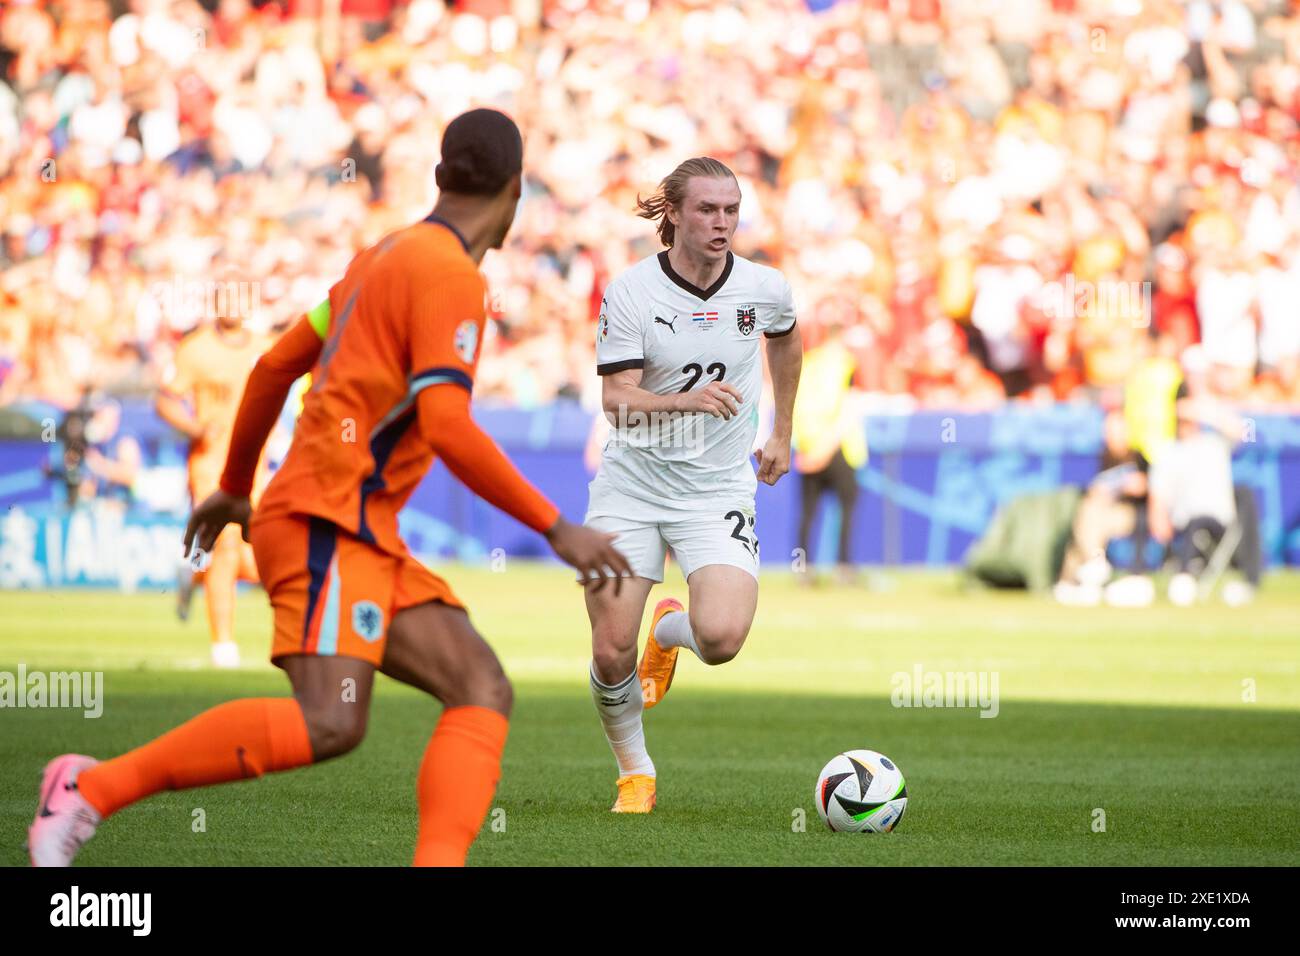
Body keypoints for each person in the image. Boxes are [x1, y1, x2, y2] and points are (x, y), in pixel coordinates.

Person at [27, 109, 631, 868]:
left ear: (441, 176)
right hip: (327, 519)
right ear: (516, 190)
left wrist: (234, 486)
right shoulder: (451, 278)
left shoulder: (375, 260)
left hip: (354, 526)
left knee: (480, 685)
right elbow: (446, 424)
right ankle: (90, 789)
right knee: (330, 723)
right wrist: (555, 526)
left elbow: (275, 365)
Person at [582, 157, 803, 813]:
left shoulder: (764, 287)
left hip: (715, 489)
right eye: (707, 209)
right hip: (633, 485)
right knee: (610, 645)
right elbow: (616, 401)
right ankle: (635, 773)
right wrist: (687, 402)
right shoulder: (631, 293)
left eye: (731, 210)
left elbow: (788, 342)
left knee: (723, 639)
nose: (722, 223)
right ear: (673, 213)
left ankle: (669, 632)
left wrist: (783, 429)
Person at [156, 304, 271, 666]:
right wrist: (196, 429)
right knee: (225, 546)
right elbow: (165, 399)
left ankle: (192, 575)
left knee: (258, 559)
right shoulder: (196, 349)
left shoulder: (266, 346)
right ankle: (224, 646)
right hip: (211, 464)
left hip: (257, 465)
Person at [1149, 392, 1259, 606]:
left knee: (1197, 522)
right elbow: (1158, 492)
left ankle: (1184, 575)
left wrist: (1203, 412)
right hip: (1182, 521)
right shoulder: (1168, 451)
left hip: (1218, 520)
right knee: (1189, 523)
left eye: (1188, 420)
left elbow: (1247, 431)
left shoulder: (1214, 444)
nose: (1184, 424)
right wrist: (1158, 516)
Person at [791, 314, 866, 585]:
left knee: (808, 512)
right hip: (839, 446)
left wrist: (804, 448)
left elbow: (794, 407)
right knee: (846, 509)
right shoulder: (846, 364)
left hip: (809, 445)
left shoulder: (808, 363)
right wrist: (826, 448)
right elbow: (848, 408)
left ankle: (802, 569)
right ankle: (843, 568)